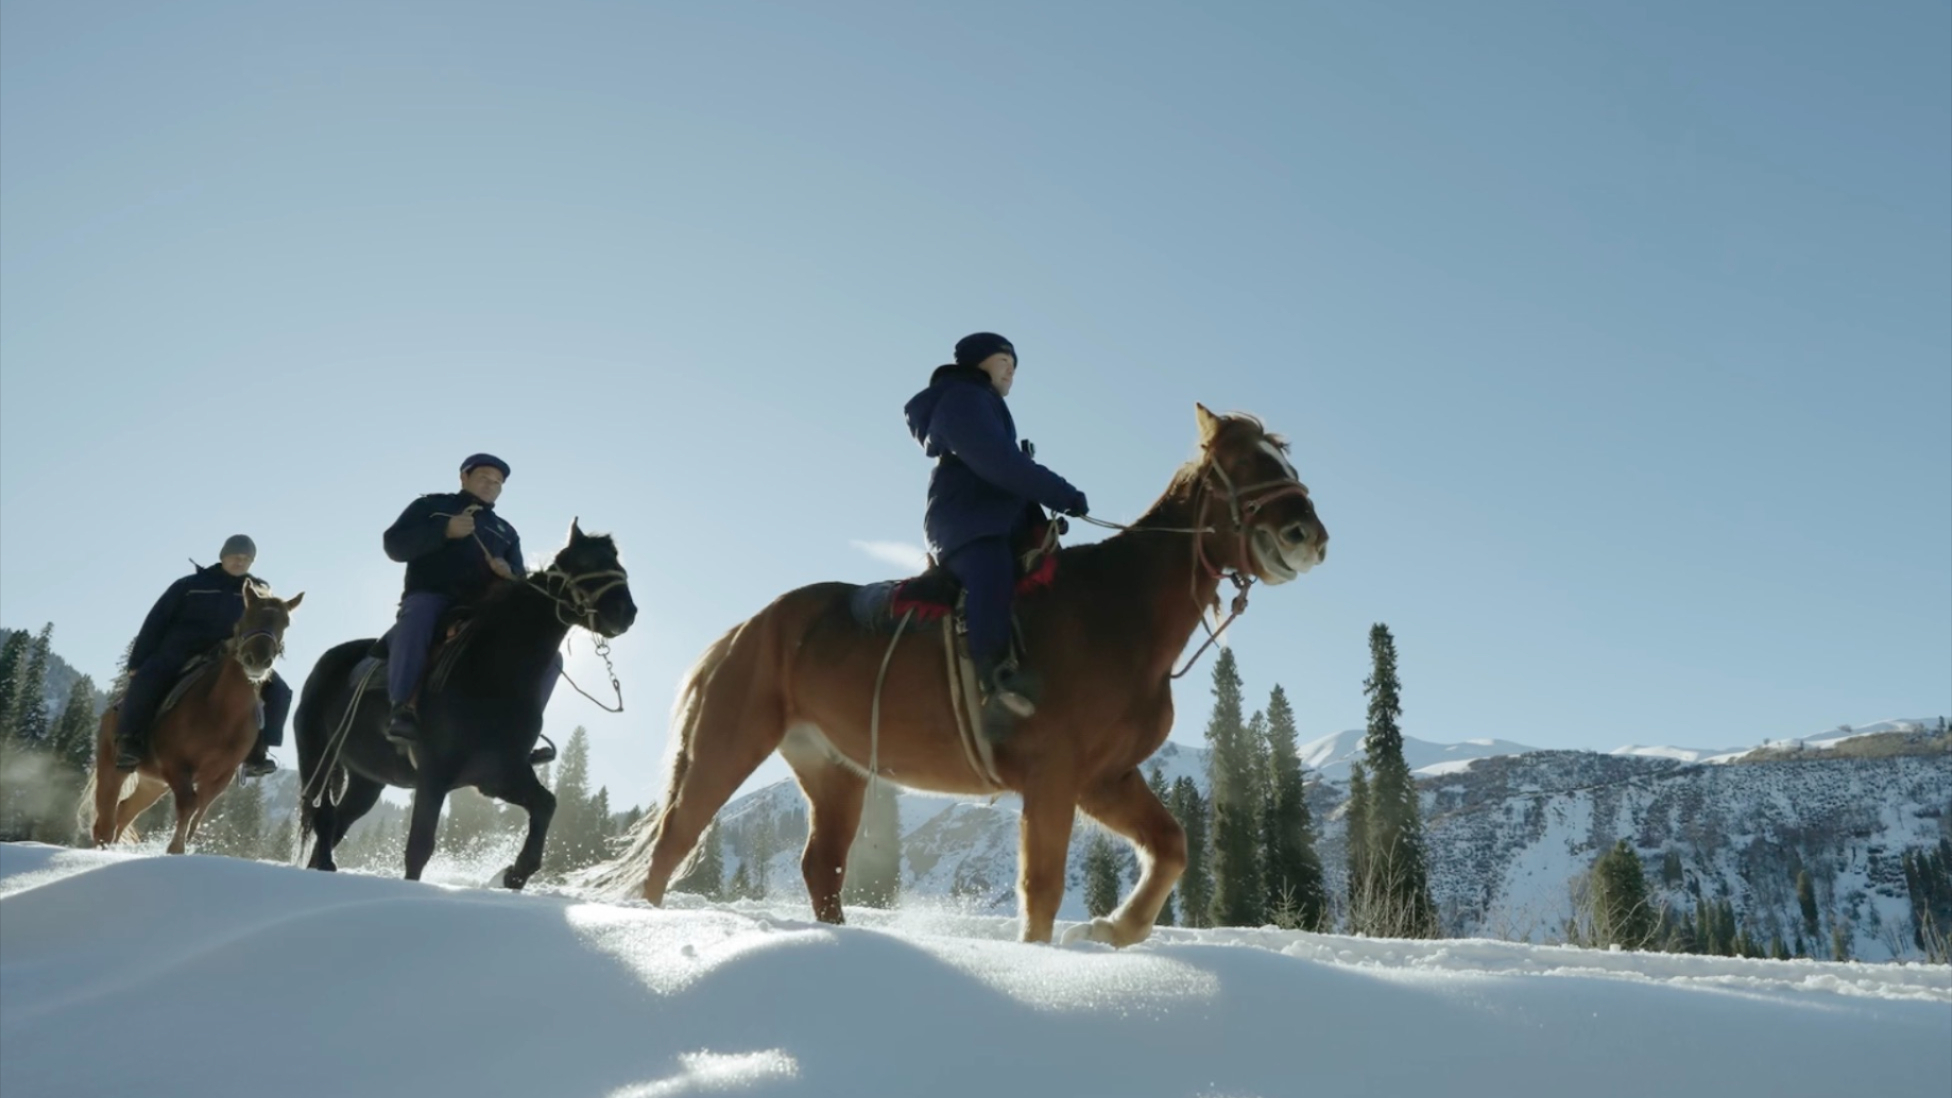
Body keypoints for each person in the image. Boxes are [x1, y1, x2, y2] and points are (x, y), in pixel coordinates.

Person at [903, 333, 1089, 732]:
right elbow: (1000, 465)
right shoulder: (963, 401)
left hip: (993, 520)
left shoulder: (983, 404)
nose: (1011, 369)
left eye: (1015, 364)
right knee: (991, 572)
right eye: (1003, 359)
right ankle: (995, 682)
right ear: (976, 362)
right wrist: (1061, 493)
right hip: (968, 524)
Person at [380, 453, 556, 744]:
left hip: (483, 610)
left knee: (550, 656)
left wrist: (510, 573)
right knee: (417, 618)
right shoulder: (431, 506)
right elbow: (394, 545)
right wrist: (444, 531)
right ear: (464, 476)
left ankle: (520, 731)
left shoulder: (508, 532)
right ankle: (403, 708)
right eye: (484, 478)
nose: (491, 485)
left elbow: (522, 583)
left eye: (498, 483)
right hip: (431, 596)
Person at [114, 535, 290, 776]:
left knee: (280, 691)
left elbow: (269, 624)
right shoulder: (189, 585)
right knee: (150, 675)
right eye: (234, 556)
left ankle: (258, 752)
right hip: (182, 648)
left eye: (246, 559)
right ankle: (129, 740)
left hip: (232, 655)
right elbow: (156, 621)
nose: (239, 562)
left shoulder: (259, 591)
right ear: (223, 556)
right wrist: (137, 661)